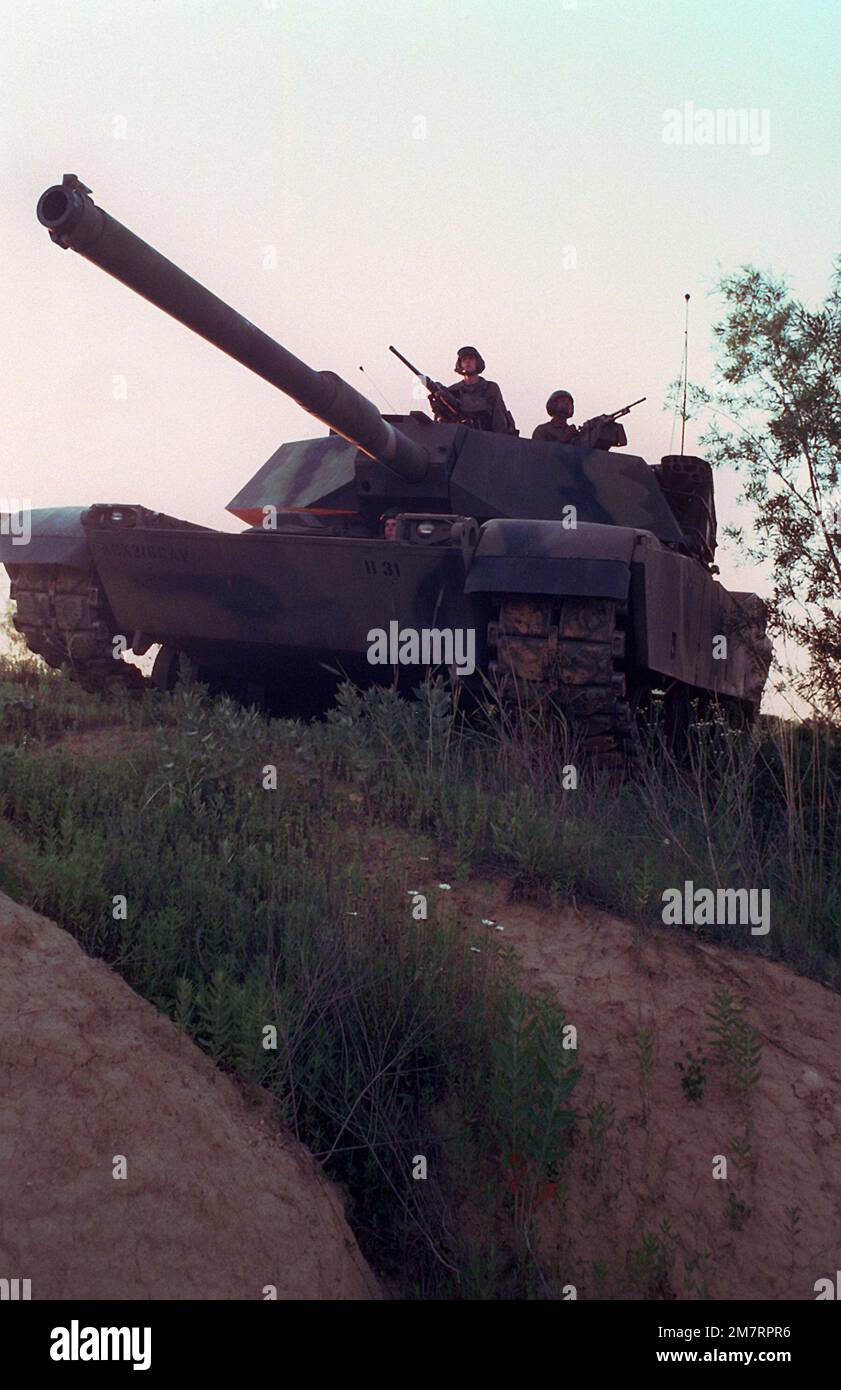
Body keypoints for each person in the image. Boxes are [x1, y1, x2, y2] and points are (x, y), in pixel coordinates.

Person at [430, 347, 515, 433]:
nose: (468, 362)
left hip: (487, 439)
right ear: (460, 364)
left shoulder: (490, 388)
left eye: (471, 359)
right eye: (464, 360)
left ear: (477, 362)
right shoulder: (453, 391)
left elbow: (499, 418)